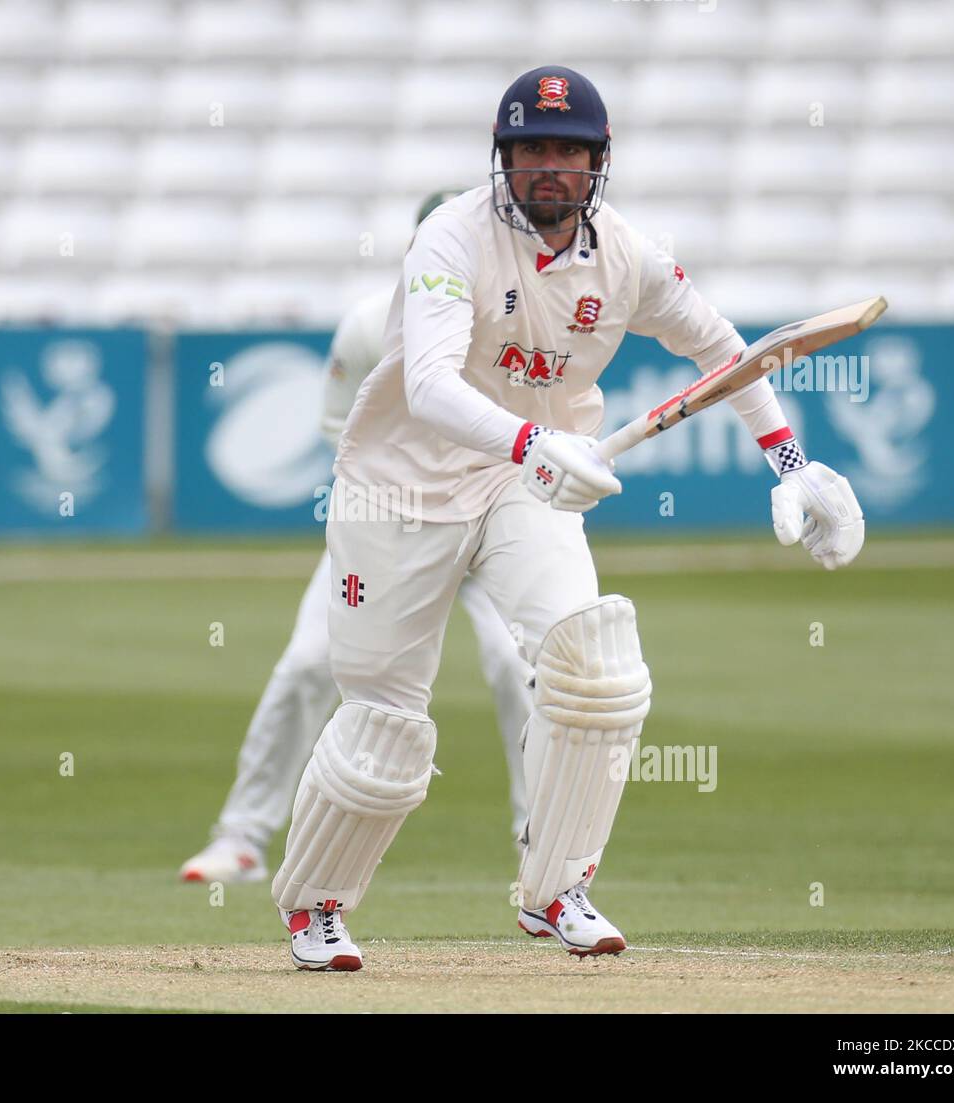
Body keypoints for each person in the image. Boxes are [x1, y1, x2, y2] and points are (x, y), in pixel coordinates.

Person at [271, 65, 865, 972]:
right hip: (400, 485)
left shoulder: (628, 254)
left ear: (599, 163)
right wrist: (529, 443)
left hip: (526, 485)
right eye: (532, 150)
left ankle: (556, 889)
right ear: (503, 159)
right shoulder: (449, 238)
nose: (550, 167)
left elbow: (724, 351)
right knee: (386, 714)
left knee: (596, 667)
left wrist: (789, 463)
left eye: (570, 152)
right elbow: (428, 386)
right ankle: (316, 906)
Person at [179, 194, 532, 886]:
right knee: (310, 662)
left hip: (489, 523)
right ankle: (243, 838)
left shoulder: (527, 325)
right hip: (384, 523)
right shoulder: (372, 327)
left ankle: (540, 845)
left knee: (518, 668)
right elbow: (339, 429)